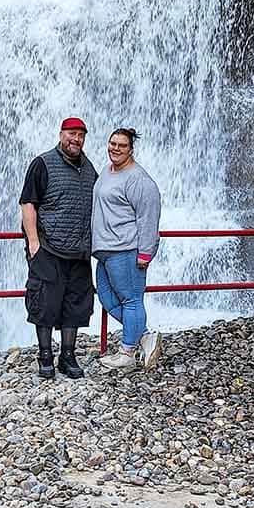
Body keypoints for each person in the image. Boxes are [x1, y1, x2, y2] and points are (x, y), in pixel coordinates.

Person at [19, 118, 97, 380]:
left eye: (81, 135)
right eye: (72, 134)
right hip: (48, 248)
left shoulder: (89, 169)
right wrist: (34, 244)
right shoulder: (42, 163)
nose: (76, 139)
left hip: (79, 251)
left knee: (75, 304)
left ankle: (68, 355)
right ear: (61, 134)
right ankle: (44, 356)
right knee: (44, 303)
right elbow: (28, 203)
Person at [92, 127, 162, 372]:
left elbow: (149, 217)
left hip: (126, 249)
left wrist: (145, 253)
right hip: (105, 250)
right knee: (107, 298)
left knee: (131, 300)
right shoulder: (107, 171)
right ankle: (144, 336)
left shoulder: (138, 179)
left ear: (131, 149)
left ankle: (127, 353)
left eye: (122, 145)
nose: (116, 148)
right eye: (112, 143)